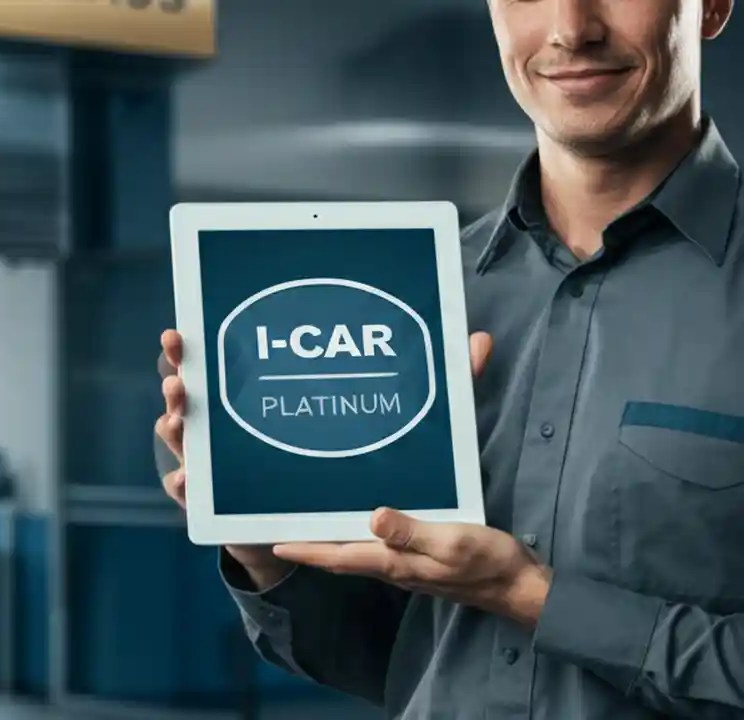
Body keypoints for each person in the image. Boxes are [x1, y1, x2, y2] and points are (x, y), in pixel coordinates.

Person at [155, 1, 744, 717]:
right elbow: (396, 657)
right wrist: (266, 555)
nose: (571, 27)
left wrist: (530, 598)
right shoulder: (420, 299)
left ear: (711, 7)